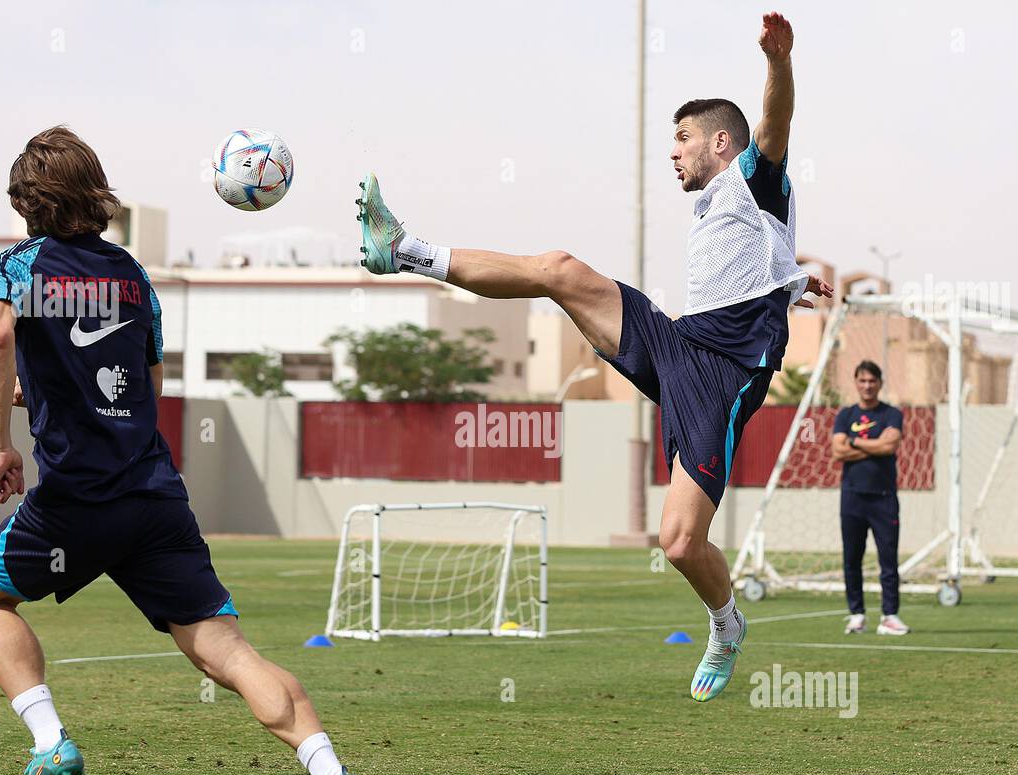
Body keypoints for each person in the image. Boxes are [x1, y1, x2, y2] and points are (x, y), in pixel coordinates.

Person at [356, 11, 831, 701]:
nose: (673, 152)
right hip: (679, 341)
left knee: (678, 544)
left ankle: (727, 625)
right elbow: (761, 258)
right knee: (557, 268)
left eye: (683, 138)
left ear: (722, 143)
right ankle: (404, 251)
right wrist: (792, 274)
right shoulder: (725, 207)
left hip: (724, 372)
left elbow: (776, 124)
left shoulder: (752, 175)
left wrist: (778, 63)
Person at [0, 126, 376, 775]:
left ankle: (52, 742)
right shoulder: (131, 275)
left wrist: (0, 444)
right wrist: (48, 397)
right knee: (232, 654)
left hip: (74, 506)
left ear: (26, 200)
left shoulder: (9, 268)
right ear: (94, 192)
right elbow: (145, 390)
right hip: (155, 498)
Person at [831, 360, 911, 636]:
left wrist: (853, 442)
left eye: (872, 381)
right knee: (852, 558)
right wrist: (874, 447)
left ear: (879, 383)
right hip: (852, 497)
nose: (867, 386)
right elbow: (837, 452)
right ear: (856, 382)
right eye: (862, 381)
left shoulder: (891, 414)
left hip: (884, 497)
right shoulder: (845, 415)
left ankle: (889, 615)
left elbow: (891, 444)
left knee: (888, 559)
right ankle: (857, 615)